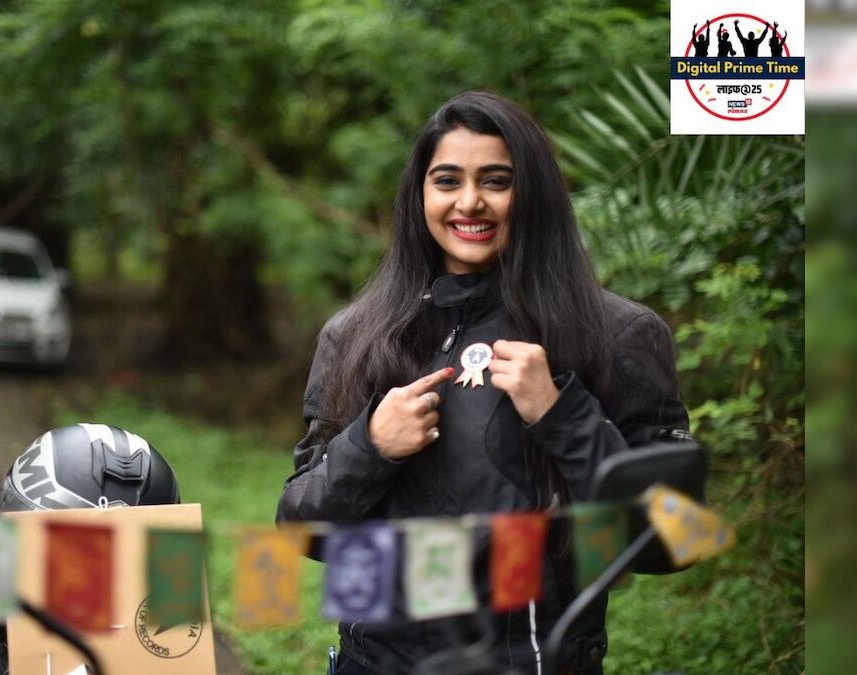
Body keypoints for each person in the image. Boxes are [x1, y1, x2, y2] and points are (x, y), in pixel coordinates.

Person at [276, 91, 690, 674]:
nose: (470, 202)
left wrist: (562, 415)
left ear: (534, 194)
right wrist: (369, 447)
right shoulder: (356, 336)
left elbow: (670, 542)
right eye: (447, 181)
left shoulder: (618, 334)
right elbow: (300, 528)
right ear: (420, 194)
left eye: (496, 181)